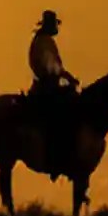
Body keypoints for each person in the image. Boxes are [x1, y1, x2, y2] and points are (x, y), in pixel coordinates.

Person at [26, 10, 80, 171]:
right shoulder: (44, 42)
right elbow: (52, 66)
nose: (57, 27)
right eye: (55, 24)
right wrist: (68, 77)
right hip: (47, 87)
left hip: (46, 84)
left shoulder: (42, 40)